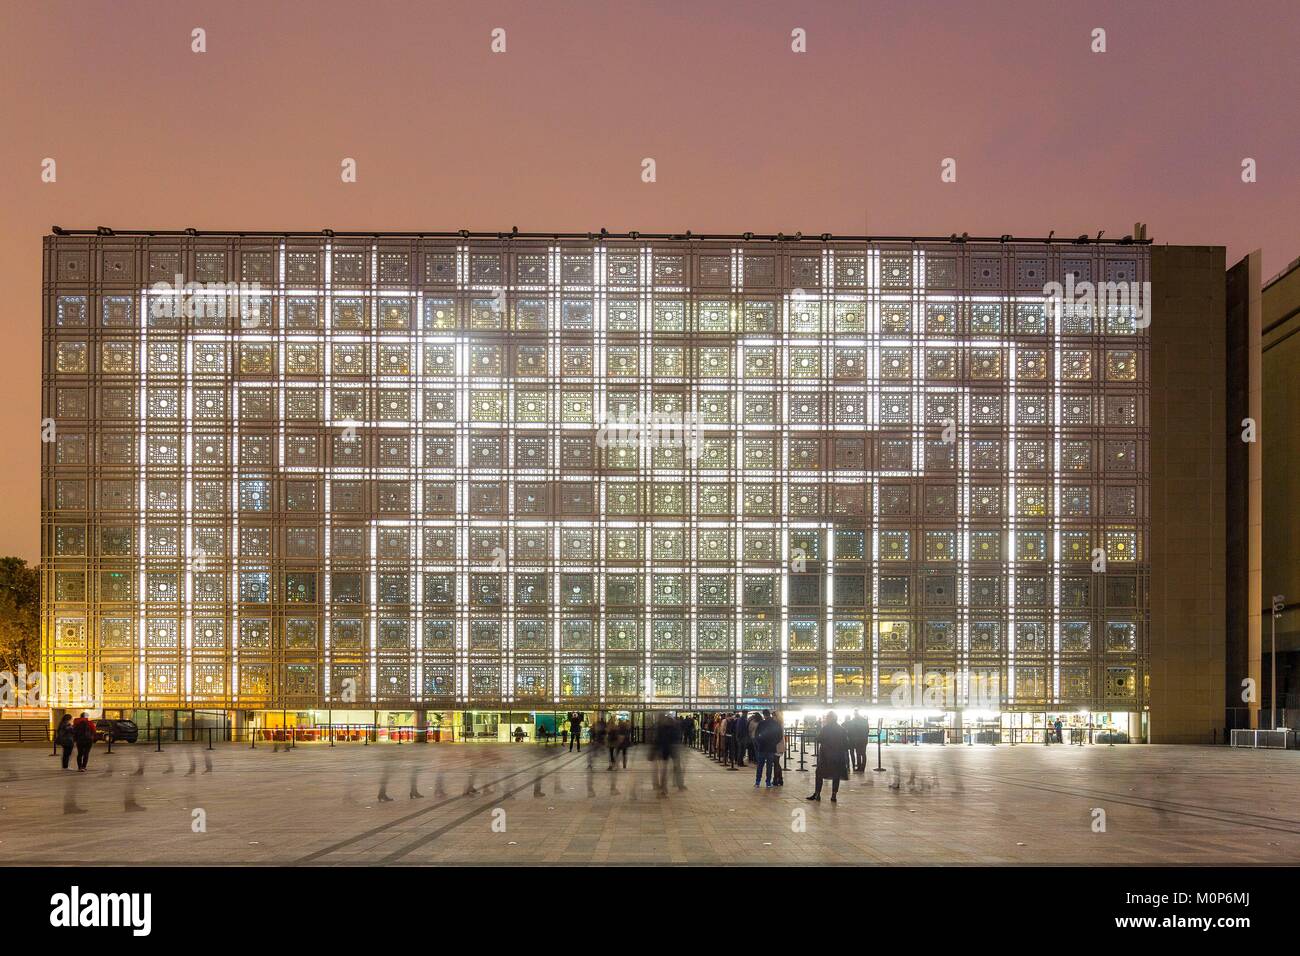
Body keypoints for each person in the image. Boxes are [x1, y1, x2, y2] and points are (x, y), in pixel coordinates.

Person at [807, 712, 849, 802]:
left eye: (827, 718)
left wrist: (817, 738)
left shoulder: (825, 728)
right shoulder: (842, 729)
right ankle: (834, 795)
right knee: (836, 775)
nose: (826, 719)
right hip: (838, 756)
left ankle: (817, 794)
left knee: (819, 773)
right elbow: (846, 744)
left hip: (826, 756)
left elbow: (819, 739)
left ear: (830, 718)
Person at [754, 710, 782, 788]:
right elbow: (780, 736)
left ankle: (757, 782)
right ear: (769, 714)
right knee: (769, 766)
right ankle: (768, 783)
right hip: (771, 748)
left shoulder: (761, 723)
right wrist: (774, 743)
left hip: (762, 747)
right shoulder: (776, 724)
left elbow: (756, 734)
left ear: (764, 715)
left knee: (760, 765)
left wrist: (759, 742)